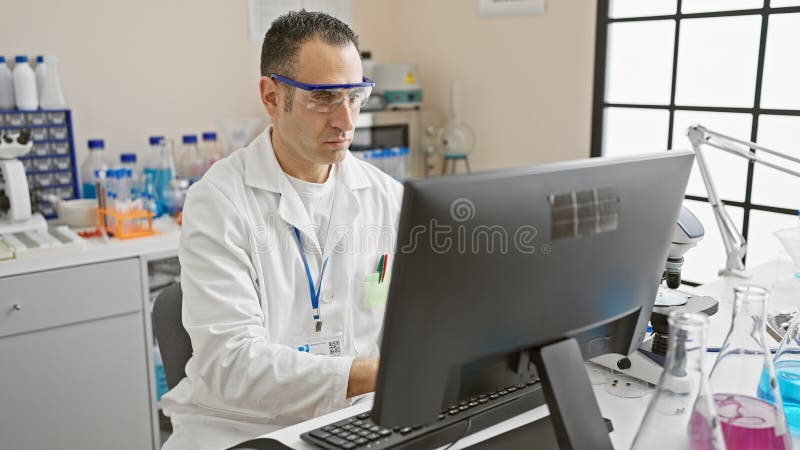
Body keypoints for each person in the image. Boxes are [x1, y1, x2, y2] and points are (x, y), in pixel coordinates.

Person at [160, 10, 403, 450]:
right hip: (241, 430)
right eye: (324, 98)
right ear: (272, 97)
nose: (346, 122)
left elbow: (417, 318)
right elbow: (230, 362)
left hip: (353, 421)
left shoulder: (386, 197)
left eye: (355, 97)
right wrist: (374, 373)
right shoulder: (218, 202)